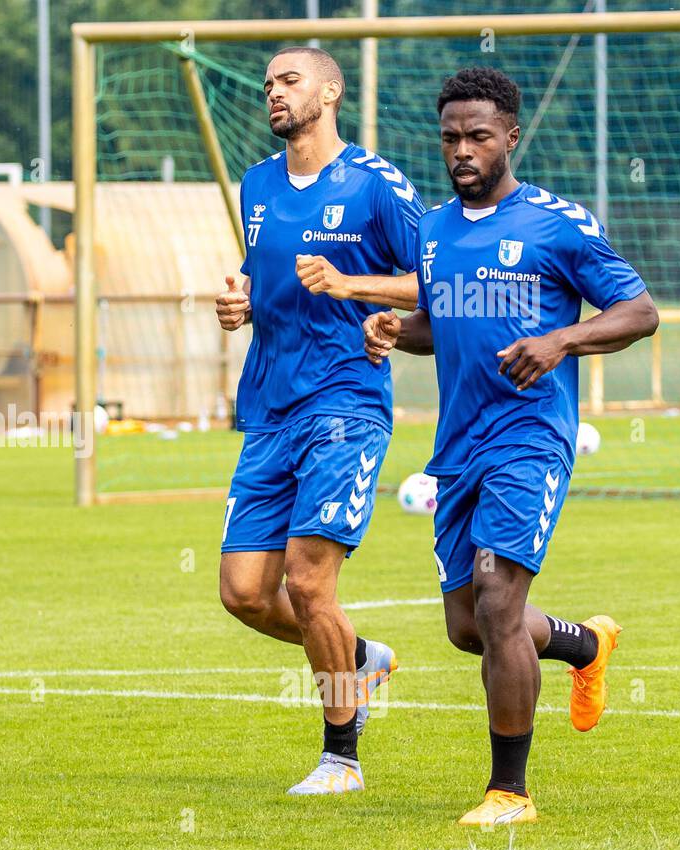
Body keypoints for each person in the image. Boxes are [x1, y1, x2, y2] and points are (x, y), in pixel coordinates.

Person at [363, 67, 658, 825]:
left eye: (478, 136)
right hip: (457, 448)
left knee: (498, 600)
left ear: (510, 138)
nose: (462, 150)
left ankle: (510, 791)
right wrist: (398, 332)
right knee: (470, 627)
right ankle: (584, 645)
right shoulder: (431, 231)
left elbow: (639, 310)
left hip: (529, 440)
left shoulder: (556, 224)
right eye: (451, 137)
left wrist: (562, 339)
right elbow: (443, 325)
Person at [213, 47, 425, 795]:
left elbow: (433, 278)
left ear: (330, 92)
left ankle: (342, 757)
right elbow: (259, 275)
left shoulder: (376, 185)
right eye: (269, 83)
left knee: (308, 584)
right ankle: (360, 656)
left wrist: (353, 288)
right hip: (268, 406)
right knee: (243, 593)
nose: (274, 93)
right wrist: (236, 305)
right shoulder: (257, 184)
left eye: (290, 80)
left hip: (345, 403)